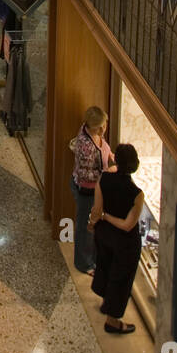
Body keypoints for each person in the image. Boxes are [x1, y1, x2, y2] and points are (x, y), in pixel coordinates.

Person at [89, 143, 145, 335]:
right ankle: (112, 321)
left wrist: (98, 220)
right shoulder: (137, 194)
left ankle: (105, 300)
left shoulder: (104, 179)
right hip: (125, 242)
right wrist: (109, 217)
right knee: (121, 279)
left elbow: (96, 210)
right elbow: (127, 225)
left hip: (104, 234)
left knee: (105, 265)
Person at [70, 106, 115, 274]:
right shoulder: (85, 145)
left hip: (96, 190)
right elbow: (84, 173)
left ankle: (94, 259)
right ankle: (84, 263)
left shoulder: (96, 135)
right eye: (100, 126)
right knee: (86, 227)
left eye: (104, 125)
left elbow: (104, 148)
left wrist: (110, 156)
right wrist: (106, 172)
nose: (103, 129)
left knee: (93, 226)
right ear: (92, 126)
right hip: (86, 191)